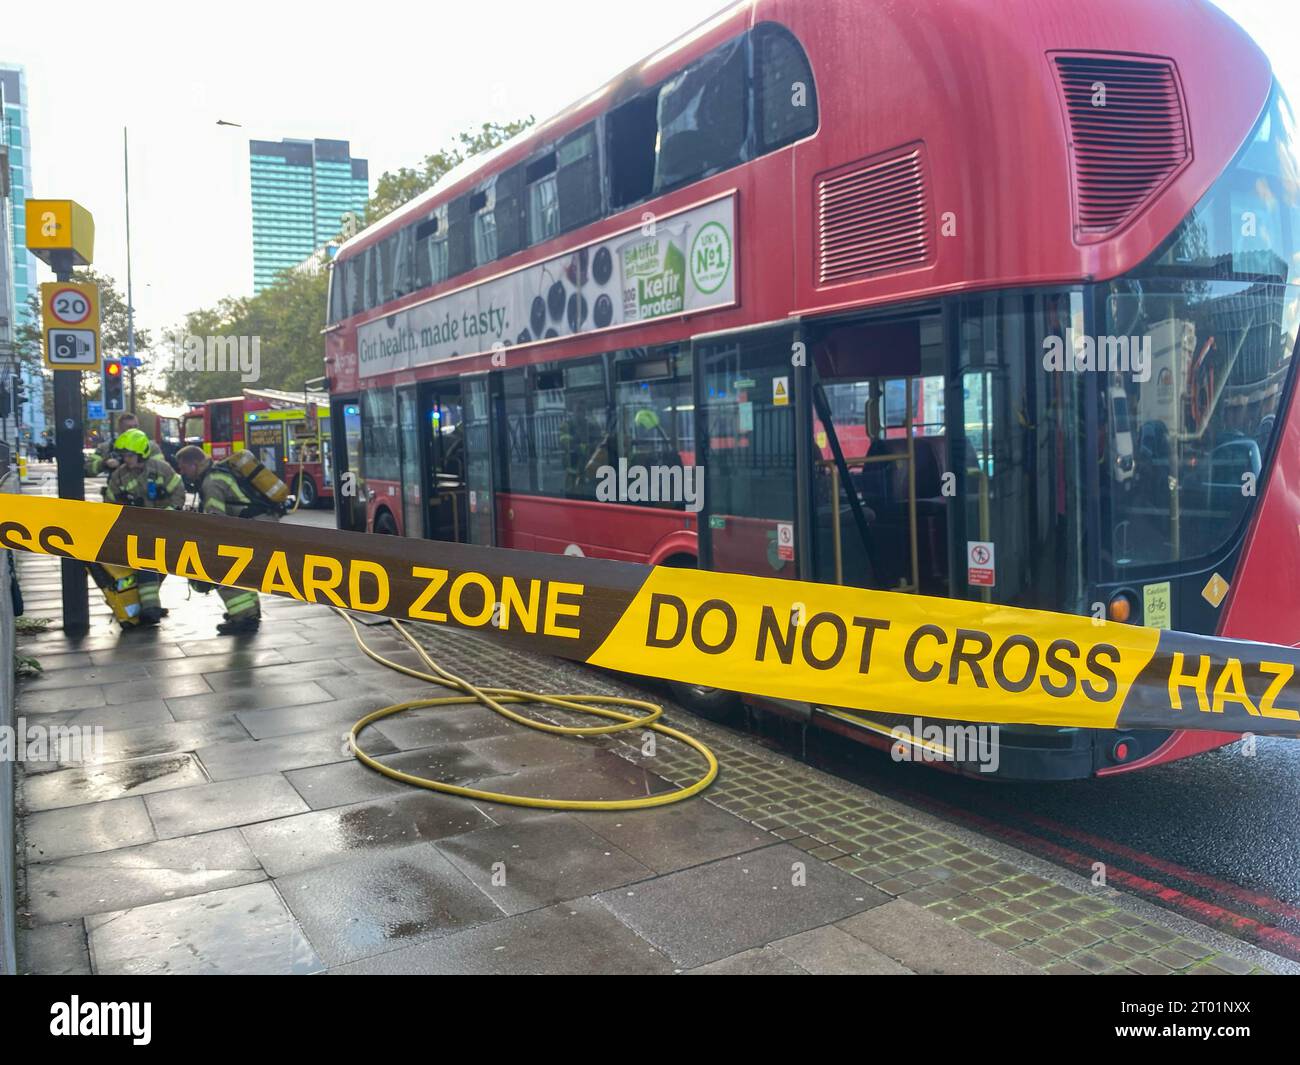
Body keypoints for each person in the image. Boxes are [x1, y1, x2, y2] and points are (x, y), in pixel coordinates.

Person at [175, 444, 283, 635]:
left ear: (195, 463)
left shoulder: (211, 482)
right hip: (261, 525)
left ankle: (243, 617)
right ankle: (249, 613)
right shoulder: (217, 473)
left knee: (221, 566)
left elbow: (215, 522)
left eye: (184, 468)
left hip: (255, 527)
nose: (182, 473)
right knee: (238, 566)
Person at [104, 428, 186, 624]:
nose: (126, 459)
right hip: (136, 531)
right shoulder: (119, 476)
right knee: (146, 565)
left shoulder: (161, 469)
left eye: (130, 455)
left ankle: (147, 604)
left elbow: (179, 494)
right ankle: (150, 608)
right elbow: (109, 503)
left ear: (141, 453)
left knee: (161, 567)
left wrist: (165, 515)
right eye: (124, 455)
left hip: (164, 527)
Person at [86, 413, 158, 476]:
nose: (133, 430)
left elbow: (159, 468)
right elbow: (88, 468)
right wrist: (105, 463)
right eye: (129, 427)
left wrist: (139, 462)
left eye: (136, 426)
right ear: (120, 429)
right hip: (117, 488)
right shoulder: (107, 447)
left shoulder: (151, 446)